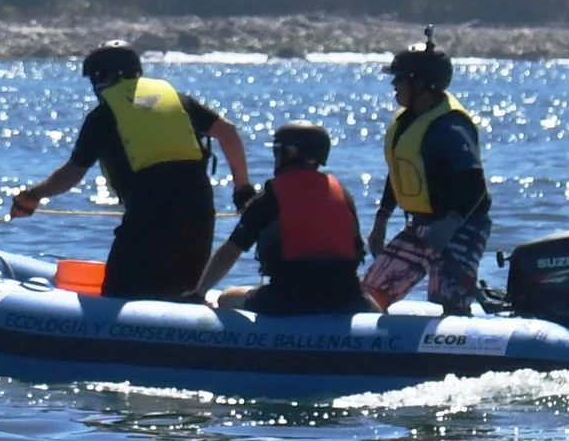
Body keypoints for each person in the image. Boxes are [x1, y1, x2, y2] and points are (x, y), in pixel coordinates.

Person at [12, 41, 252, 301]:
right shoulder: (178, 100)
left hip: (152, 207)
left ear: (103, 78)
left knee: (120, 294)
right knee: (184, 292)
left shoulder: (103, 116)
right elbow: (227, 131)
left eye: (95, 78)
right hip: (199, 203)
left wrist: (33, 195)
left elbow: (72, 173)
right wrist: (242, 188)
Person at [363, 29, 490, 314]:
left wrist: (450, 225)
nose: (394, 86)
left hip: (462, 225)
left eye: (400, 80)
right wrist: (382, 220)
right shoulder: (408, 122)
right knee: (370, 295)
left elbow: (474, 182)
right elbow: (400, 173)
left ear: (421, 84)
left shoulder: (449, 127)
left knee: (449, 302)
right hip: (421, 224)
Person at [197, 121, 370, 314]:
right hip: (346, 295)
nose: (275, 158)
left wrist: (198, 293)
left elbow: (230, 252)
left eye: (278, 152)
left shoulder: (271, 196)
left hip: (289, 296)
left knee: (227, 296)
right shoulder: (342, 193)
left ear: (291, 153)